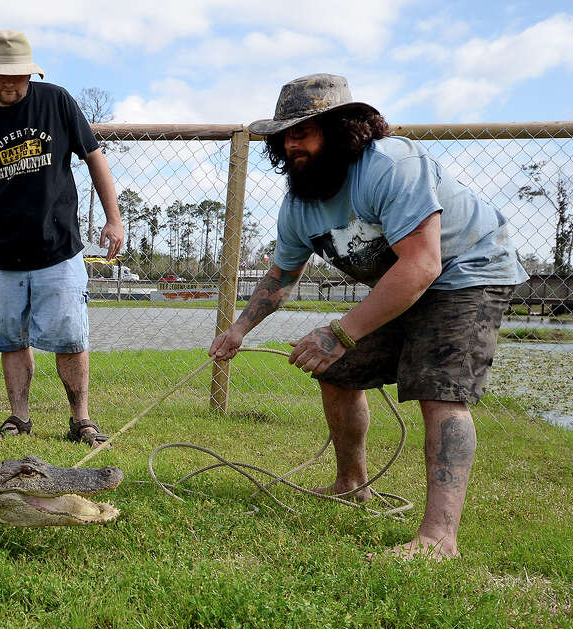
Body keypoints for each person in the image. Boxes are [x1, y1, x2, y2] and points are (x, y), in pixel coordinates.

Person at [208, 74, 528, 559]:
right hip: (406, 283)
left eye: (305, 131)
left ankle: (439, 539)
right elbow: (280, 276)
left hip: (468, 269)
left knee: (439, 388)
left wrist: (339, 331)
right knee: (335, 369)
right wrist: (238, 329)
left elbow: (423, 264)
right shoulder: (299, 205)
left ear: (342, 130)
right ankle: (352, 483)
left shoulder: (392, 167)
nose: (292, 143)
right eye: (285, 135)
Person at [0, 30, 124, 446]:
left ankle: (81, 420)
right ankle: (19, 418)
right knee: (11, 339)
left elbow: (94, 156)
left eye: (18, 76)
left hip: (58, 248)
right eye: (0, 77)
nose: (9, 84)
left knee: (70, 338)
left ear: (31, 73)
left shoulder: (57, 102)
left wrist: (113, 219)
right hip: (0, 255)